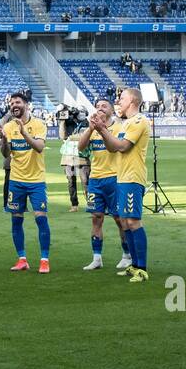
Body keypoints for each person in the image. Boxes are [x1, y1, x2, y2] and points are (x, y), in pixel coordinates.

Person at [91, 87, 152, 282]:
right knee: (125, 222)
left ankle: (141, 268)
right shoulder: (125, 123)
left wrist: (102, 129)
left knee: (133, 221)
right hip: (122, 177)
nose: (119, 101)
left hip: (133, 177)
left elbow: (123, 146)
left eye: (122, 98)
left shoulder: (139, 121)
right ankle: (134, 265)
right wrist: (102, 130)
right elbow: (112, 147)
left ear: (133, 101)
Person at [0, 92, 51, 273]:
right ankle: (22, 259)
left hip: (36, 181)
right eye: (12, 103)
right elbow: (6, 154)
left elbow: (39, 147)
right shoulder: (8, 126)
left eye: (18, 102)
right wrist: (4, 140)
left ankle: (44, 260)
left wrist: (24, 133)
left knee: (41, 219)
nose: (14, 105)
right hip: (16, 181)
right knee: (16, 221)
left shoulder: (39, 124)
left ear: (26, 105)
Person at [78, 97, 125, 271]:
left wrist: (102, 129)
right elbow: (81, 148)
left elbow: (115, 148)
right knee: (96, 218)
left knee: (120, 219)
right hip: (96, 179)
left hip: (115, 178)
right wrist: (91, 129)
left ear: (112, 110)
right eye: (97, 106)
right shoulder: (93, 128)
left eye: (104, 106)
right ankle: (97, 258)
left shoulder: (120, 127)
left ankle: (126, 255)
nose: (100, 109)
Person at [59, 128, 88, 213]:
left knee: (86, 182)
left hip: (82, 158)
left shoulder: (84, 122)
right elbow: (62, 136)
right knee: (71, 182)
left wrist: (73, 137)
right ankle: (74, 204)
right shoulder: (66, 123)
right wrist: (62, 121)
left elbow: (86, 137)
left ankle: (90, 204)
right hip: (68, 158)